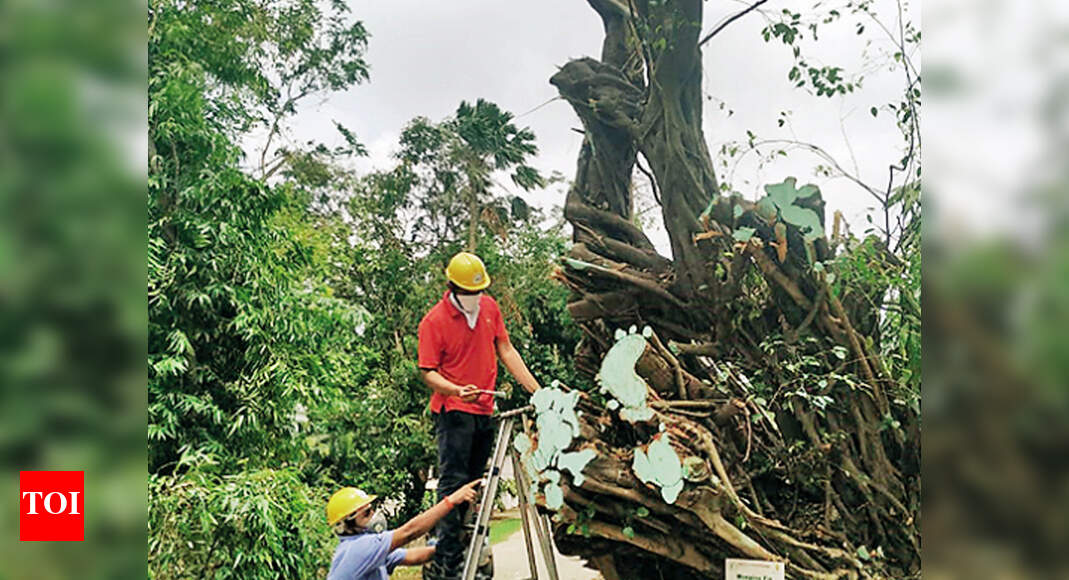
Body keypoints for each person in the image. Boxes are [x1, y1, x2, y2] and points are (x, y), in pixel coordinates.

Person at [417, 251, 542, 579]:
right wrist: (456, 390)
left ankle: (470, 539)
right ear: (453, 287)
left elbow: (506, 349)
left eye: (479, 291)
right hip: (454, 410)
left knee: (476, 481)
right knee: (454, 480)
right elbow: (428, 372)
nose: (475, 297)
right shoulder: (434, 321)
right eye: (469, 292)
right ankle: (447, 554)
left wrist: (537, 391)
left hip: (485, 407)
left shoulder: (489, 309)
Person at [325, 478, 483, 580]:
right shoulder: (359, 548)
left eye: (371, 509)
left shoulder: (366, 548)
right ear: (347, 524)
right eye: (366, 513)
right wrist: (451, 501)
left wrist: (449, 546)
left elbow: (411, 556)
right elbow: (410, 532)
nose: (373, 514)